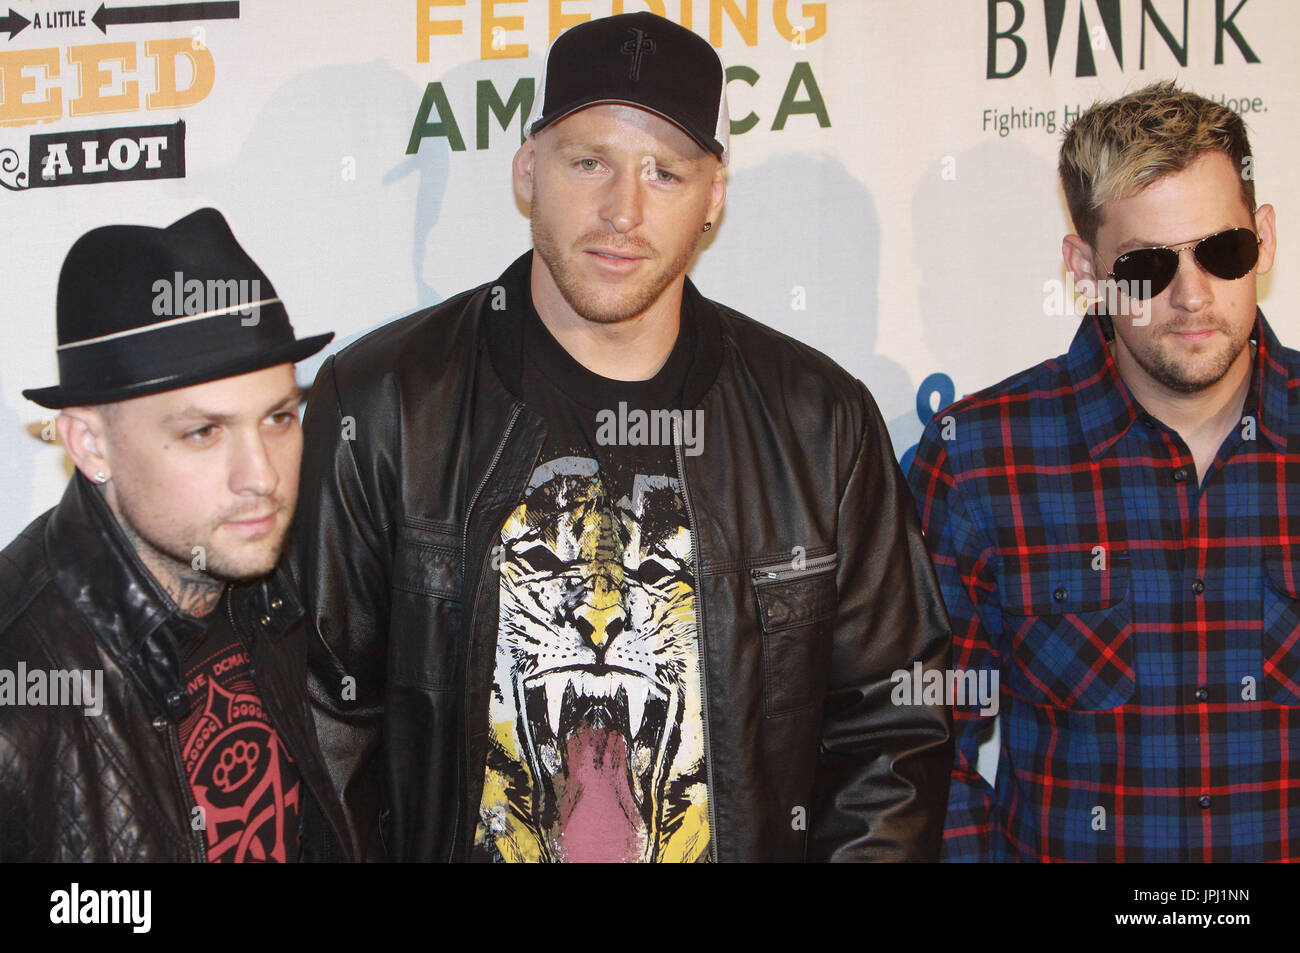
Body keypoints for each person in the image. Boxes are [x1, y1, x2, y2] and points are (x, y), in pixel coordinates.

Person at [293, 11, 951, 862]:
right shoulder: (382, 404)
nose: (622, 211)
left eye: (665, 173)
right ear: (529, 170)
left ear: (714, 197)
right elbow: (323, 727)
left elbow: (892, 733)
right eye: (590, 161)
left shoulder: (820, 423)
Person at [908, 81, 1292, 861]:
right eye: (1147, 266)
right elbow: (920, 751)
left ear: (1265, 241)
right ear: (1084, 268)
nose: (1192, 295)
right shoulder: (981, 460)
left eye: (1223, 252)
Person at [0, 208, 351, 861]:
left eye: (278, 417)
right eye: (203, 431)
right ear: (89, 443)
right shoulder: (20, 687)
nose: (261, 477)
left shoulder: (271, 581)